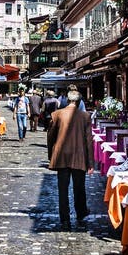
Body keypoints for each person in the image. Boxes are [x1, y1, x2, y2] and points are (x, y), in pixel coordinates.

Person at [47, 89, 93, 230]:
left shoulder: (57, 115)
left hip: (62, 156)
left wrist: (51, 155)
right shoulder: (85, 116)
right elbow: (88, 141)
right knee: (79, 188)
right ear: (79, 102)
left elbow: (50, 137)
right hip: (79, 156)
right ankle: (80, 213)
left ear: (67, 100)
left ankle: (65, 219)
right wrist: (90, 162)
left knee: (62, 189)